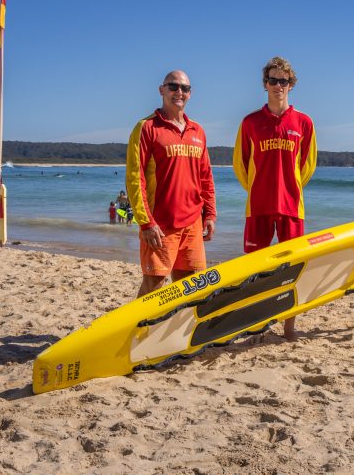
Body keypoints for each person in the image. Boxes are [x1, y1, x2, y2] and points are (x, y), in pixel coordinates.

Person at [233, 56, 316, 341]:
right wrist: (259, 188)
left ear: (291, 85)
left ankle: (289, 327)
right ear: (265, 84)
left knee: (292, 269)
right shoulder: (250, 122)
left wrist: (288, 187)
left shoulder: (303, 123)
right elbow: (241, 165)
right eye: (273, 80)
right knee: (255, 270)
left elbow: (307, 166)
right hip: (258, 206)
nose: (278, 85)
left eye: (283, 81)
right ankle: (256, 324)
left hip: (292, 207)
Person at [127, 70, 217, 298]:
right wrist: (146, 223)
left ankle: (177, 335)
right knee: (154, 289)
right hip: (160, 224)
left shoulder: (198, 130)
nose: (179, 92)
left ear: (190, 93)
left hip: (193, 224)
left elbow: (205, 176)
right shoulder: (147, 127)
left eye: (184, 88)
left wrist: (210, 214)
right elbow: (135, 178)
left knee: (191, 289)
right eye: (173, 86)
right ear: (161, 90)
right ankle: (141, 334)